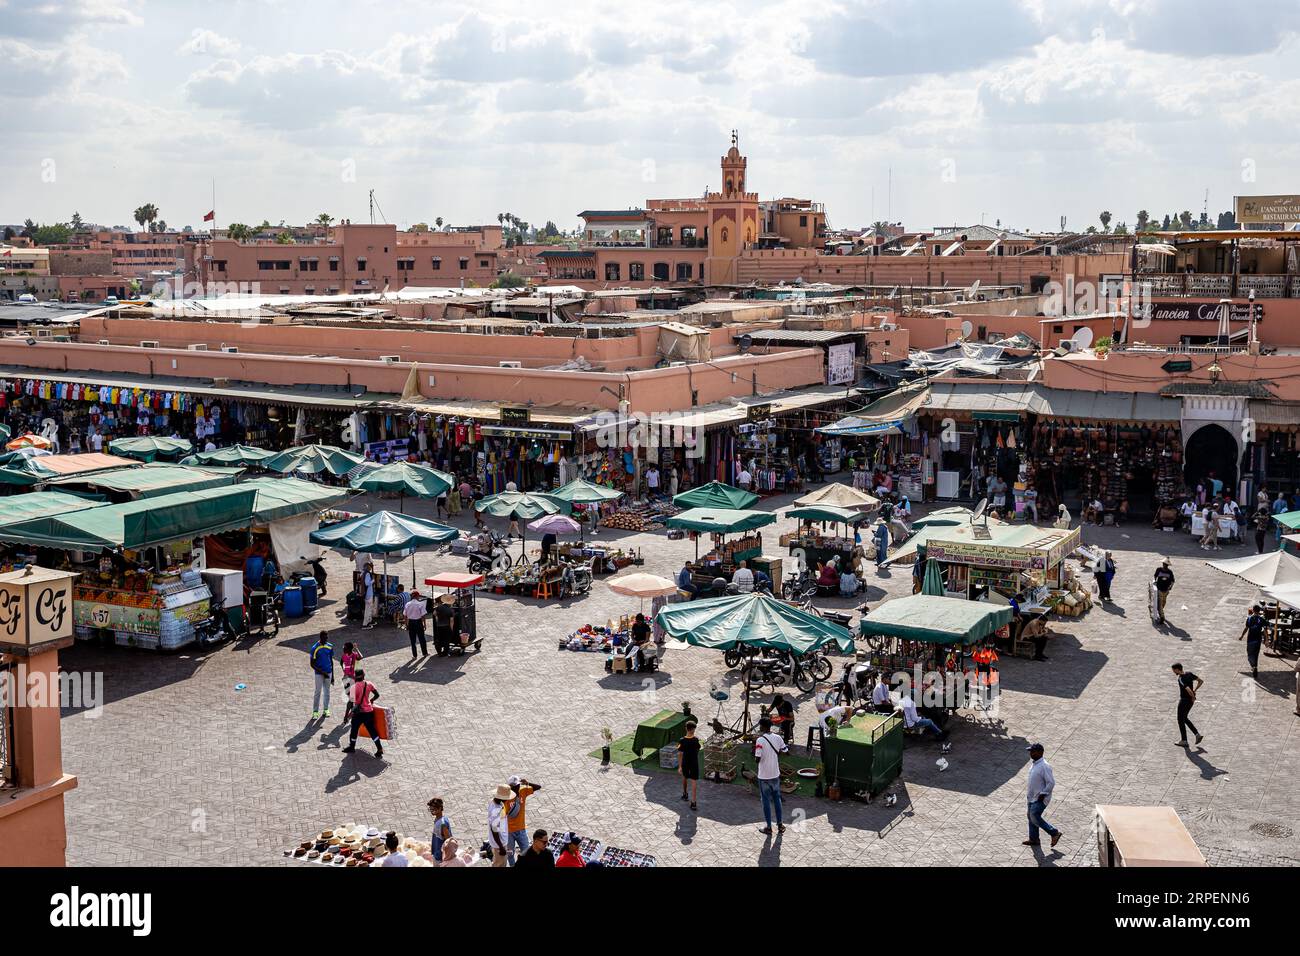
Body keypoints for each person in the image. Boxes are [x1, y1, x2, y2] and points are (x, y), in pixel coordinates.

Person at [753, 717, 788, 835]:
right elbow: (785, 750)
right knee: (777, 799)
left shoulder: (760, 740)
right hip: (775, 774)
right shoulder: (778, 738)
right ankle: (780, 824)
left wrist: (756, 755)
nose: (759, 727)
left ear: (763, 726)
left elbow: (757, 759)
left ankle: (768, 827)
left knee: (766, 801)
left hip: (764, 776)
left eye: (760, 725)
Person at [1024, 743, 1061, 848]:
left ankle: (1054, 833)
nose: (1030, 753)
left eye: (1033, 751)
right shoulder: (1034, 764)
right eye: (1030, 751)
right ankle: (1034, 839)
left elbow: (1051, 783)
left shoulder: (1045, 766)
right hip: (1031, 797)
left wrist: (1043, 793)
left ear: (1040, 752)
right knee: (1030, 817)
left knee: (1034, 816)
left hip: (1040, 798)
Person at [342, 668, 383, 758]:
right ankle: (379, 748)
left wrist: (346, 716)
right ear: (364, 675)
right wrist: (371, 700)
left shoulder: (353, 687)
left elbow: (350, 703)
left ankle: (352, 747)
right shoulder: (369, 684)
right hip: (369, 711)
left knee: (354, 729)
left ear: (355, 677)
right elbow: (377, 695)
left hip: (359, 713)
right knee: (372, 730)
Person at [505, 775, 540, 865]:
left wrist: (527, 783)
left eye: (518, 785)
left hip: (521, 830)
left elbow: (538, 787)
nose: (517, 787)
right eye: (515, 786)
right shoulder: (505, 798)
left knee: (527, 852)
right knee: (510, 854)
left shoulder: (523, 791)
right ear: (510, 787)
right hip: (509, 832)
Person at [1171, 662, 1204, 746]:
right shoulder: (1189, 674)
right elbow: (1200, 681)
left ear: (1177, 669)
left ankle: (1184, 740)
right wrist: (1195, 691)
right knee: (1184, 718)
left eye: (1174, 670)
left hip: (1184, 701)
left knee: (1180, 719)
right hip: (1190, 701)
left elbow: (1188, 689)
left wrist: (1193, 696)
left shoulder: (1181, 678)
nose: (1174, 672)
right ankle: (1197, 735)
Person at [309, 631, 334, 720]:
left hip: (329, 672)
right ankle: (315, 712)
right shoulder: (314, 648)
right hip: (319, 674)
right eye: (325, 638)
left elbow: (331, 661)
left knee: (327, 692)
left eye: (327, 637)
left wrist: (332, 676)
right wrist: (323, 673)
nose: (326, 639)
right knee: (318, 692)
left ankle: (326, 710)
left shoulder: (330, 646)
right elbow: (312, 664)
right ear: (320, 637)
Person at [486, 785, 512, 867]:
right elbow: (494, 830)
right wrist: (501, 847)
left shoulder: (496, 803)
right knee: (499, 864)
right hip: (499, 844)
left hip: (501, 841)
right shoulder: (496, 810)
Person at [678, 720, 701, 811]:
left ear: (686, 729)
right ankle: (694, 802)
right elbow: (698, 749)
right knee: (694, 781)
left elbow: (680, 754)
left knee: (684, 777)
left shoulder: (682, 740)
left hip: (685, 763)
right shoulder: (696, 740)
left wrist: (680, 766)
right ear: (693, 730)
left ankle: (685, 793)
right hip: (694, 763)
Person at [1240, 605, 1266, 681]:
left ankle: (1253, 666)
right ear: (1259, 611)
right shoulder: (1261, 619)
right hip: (1258, 639)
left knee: (1249, 654)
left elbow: (1246, 628)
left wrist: (1242, 636)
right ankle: (1255, 666)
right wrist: (1267, 639)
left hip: (1251, 639)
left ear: (1253, 610)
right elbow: (1265, 630)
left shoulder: (1249, 618)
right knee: (1256, 654)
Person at [403, 589, 428, 658]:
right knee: (422, 639)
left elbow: (405, 615)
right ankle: (425, 653)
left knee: (412, 640)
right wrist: (424, 624)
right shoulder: (420, 604)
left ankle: (415, 655)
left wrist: (406, 624)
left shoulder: (407, 604)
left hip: (411, 622)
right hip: (418, 622)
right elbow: (423, 616)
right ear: (417, 596)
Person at [340, 642, 362, 720]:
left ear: (349, 649)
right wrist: (344, 671)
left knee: (351, 698)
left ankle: (347, 715)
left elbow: (361, 657)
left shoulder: (354, 655)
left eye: (344, 648)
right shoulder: (343, 656)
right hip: (346, 679)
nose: (343, 649)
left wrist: (356, 649)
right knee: (351, 698)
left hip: (352, 679)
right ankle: (352, 713)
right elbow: (341, 662)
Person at [427, 797, 452, 862]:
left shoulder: (443, 824)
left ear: (440, 808)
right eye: (431, 809)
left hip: (441, 856)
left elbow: (448, 841)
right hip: (437, 852)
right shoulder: (437, 818)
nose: (432, 811)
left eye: (434, 809)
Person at [1153, 559, 1175, 625]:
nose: (1164, 565)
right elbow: (1155, 576)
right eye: (1164, 564)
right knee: (1160, 602)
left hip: (1166, 590)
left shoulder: (1169, 572)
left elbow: (1173, 580)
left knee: (1163, 602)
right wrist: (1155, 582)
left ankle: (1160, 611)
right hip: (1159, 589)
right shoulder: (1159, 570)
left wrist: (1170, 587)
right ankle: (1162, 617)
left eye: (1166, 565)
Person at [361, 561, 377, 629]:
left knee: (369, 608)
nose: (371, 568)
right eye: (371, 566)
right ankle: (365, 624)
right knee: (368, 609)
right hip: (368, 593)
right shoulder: (367, 574)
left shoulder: (363, 573)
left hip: (367, 593)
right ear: (368, 566)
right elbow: (367, 583)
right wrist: (373, 580)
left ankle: (369, 621)